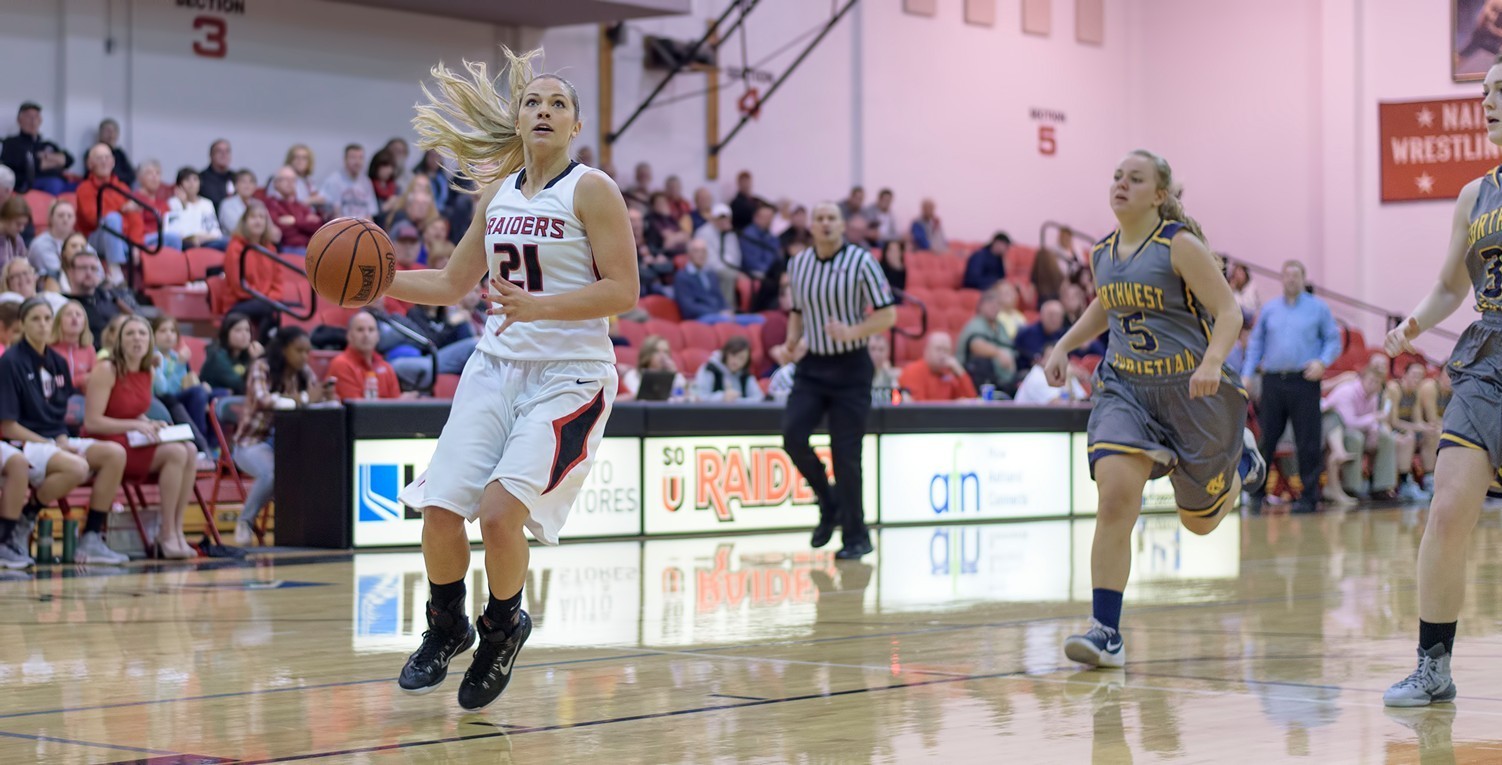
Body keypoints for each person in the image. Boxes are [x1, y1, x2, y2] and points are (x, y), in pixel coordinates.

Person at [386, 47, 637, 711]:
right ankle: (448, 625)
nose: (545, 110)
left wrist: (542, 306)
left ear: (575, 125)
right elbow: (449, 282)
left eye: (558, 103)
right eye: (534, 101)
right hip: (494, 367)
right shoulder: (497, 193)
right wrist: (376, 283)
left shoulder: (592, 189)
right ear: (520, 120)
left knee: (501, 516)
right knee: (440, 509)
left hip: (571, 374)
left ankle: (503, 625)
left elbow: (625, 289)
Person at [1045, 150, 1265, 671]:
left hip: (1191, 390)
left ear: (1159, 195)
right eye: (1117, 176)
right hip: (1126, 387)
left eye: (1135, 178)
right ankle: (1106, 632)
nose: (1121, 184)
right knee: (1116, 498)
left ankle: (1239, 464)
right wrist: (1064, 344)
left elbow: (1229, 312)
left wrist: (1213, 360)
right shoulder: (1102, 251)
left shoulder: (1179, 246)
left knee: (1200, 523)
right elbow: (1107, 302)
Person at [1380, 55, 1502, 707]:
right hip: (1487, 359)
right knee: (1449, 507)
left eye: (1501, 89)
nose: (1488, 100)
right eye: (1485, 90)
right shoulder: (1472, 195)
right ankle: (1433, 664)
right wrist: (1414, 324)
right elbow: (1452, 283)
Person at [778, 202, 896, 559]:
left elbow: (888, 314)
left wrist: (852, 331)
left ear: (842, 226)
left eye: (832, 218)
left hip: (852, 367)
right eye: (820, 218)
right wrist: (790, 342)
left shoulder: (861, 261)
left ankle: (857, 537)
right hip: (813, 365)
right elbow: (797, 312)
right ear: (811, 226)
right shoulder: (798, 264)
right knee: (793, 436)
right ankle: (829, 504)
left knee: (846, 455)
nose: (826, 223)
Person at [0, 298, 129, 564]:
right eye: (36, 319)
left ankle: (92, 537)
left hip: (53, 440)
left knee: (114, 454)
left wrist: (59, 440)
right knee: (77, 468)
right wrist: (51, 443)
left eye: (47, 318)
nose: (43, 324)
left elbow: (58, 416)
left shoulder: (58, 363)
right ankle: (25, 519)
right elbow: (7, 424)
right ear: (22, 325)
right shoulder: (10, 362)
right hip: (21, 440)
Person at [82, 315, 198, 559]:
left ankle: (177, 530)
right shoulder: (106, 369)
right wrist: (136, 424)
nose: (137, 338)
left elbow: (134, 410)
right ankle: (165, 533)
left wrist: (149, 423)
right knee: (177, 452)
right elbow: (92, 421)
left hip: (130, 438)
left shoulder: (148, 372)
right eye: (130, 333)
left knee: (189, 450)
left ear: (150, 340)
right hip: (104, 441)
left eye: (142, 334)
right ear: (119, 341)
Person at [1240, 259, 1341, 514]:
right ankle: (1256, 493)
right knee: (1267, 439)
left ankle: (1308, 497)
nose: (1291, 280)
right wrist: (1247, 373)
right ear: (1281, 279)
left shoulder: (1318, 309)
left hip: (1304, 380)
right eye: (1287, 275)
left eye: (1296, 275)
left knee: (1308, 441)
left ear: (1303, 278)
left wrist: (1322, 361)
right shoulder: (1271, 310)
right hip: (1274, 381)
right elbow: (1255, 344)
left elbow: (1333, 340)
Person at [233, 326, 326, 546]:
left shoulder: (303, 372)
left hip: (288, 444)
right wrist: (301, 399)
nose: (305, 356)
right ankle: (244, 522)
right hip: (252, 443)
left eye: (307, 352)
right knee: (272, 473)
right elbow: (262, 399)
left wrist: (323, 396)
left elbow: (313, 397)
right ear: (284, 350)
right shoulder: (261, 367)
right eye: (299, 350)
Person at [76, 144, 143, 276]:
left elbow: (135, 219)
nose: (104, 161)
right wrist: (122, 209)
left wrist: (136, 244)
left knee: (170, 238)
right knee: (113, 219)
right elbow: (93, 219)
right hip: (95, 238)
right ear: (90, 164)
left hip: (123, 238)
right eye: (99, 158)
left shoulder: (122, 187)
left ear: (113, 162)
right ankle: (115, 271)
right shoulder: (85, 188)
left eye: (107, 157)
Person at [151, 316, 214, 457]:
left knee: (218, 394)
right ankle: (201, 444)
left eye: (173, 331)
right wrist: (180, 366)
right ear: (153, 335)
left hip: (179, 397)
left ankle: (213, 444)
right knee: (197, 393)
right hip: (163, 399)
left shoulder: (176, 356)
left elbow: (183, 384)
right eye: (163, 331)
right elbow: (164, 390)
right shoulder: (153, 357)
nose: (169, 334)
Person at [220, 200, 284, 334]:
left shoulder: (270, 249)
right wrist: (264, 299)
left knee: (278, 310)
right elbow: (238, 285)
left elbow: (278, 282)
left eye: (262, 217)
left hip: (265, 302)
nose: (258, 221)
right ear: (245, 221)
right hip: (239, 302)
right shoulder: (235, 247)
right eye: (253, 217)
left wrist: (270, 297)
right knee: (271, 310)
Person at [1386, 360, 1437, 501]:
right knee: (1409, 437)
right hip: (1388, 429)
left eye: (1421, 376)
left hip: (1405, 429)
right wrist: (1418, 427)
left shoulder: (1416, 392)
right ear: (1405, 374)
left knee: (1432, 434)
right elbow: (1393, 421)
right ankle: (1405, 483)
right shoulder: (1394, 389)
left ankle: (1429, 479)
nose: (1417, 379)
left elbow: (1417, 420)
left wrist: (1427, 427)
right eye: (1414, 374)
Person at [64, 250, 137, 345]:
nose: (89, 273)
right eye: (83, 268)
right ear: (70, 272)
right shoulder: (64, 303)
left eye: (93, 268)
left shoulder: (110, 297)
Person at [327, 311, 404, 400]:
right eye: (360, 329)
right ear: (349, 335)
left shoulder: (387, 367)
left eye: (371, 330)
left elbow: (397, 407)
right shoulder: (341, 364)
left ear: (378, 336)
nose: (366, 335)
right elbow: (356, 409)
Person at [1, 102, 74, 195]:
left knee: (81, 187)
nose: (33, 121)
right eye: (28, 117)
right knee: (54, 184)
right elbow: (29, 165)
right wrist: (56, 161)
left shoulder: (48, 144)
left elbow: (68, 160)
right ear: (19, 120)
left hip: (59, 181)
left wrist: (46, 156)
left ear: (40, 120)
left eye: (36, 117)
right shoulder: (11, 143)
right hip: (28, 184)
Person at [957, 284, 1018, 393]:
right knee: (981, 363)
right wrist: (998, 353)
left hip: (1004, 378)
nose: (994, 307)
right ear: (981, 306)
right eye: (990, 304)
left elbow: (1009, 345)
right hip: (978, 379)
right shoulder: (976, 323)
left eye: (997, 304)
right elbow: (976, 345)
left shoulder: (1000, 326)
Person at [898, 332, 977, 402]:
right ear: (926, 350)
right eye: (938, 349)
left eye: (946, 350)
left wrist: (960, 371)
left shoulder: (950, 372)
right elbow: (918, 407)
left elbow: (971, 399)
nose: (942, 355)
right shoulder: (913, 371)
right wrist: (953, 405)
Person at [199, 312, 262, 396]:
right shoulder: (217, 356)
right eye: (238, 330)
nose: (245, 335)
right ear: (226, 333)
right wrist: (256, 361)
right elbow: (241, 387)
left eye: (247, 330)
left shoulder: (247, 355)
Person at [265, 166, 324, 254]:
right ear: (276, 183)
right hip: (286, 249)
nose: (289, 183)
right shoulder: (270, 204)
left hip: (309, 247)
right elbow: (281, 230)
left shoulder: (300, 205)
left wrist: (294, 221)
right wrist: (305, 223)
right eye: (285, 179)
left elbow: (317, 225)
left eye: (293, 180)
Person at [167, 167, 228, 250]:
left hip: (208, 240)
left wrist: (204, 237)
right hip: (187, 243)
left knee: (229, 242)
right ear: (179, 185)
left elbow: (215, 231)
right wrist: (184, 205)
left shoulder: (207, 203)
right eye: (187, 180)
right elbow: (175, 232)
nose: (192, 183)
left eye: (195, 179)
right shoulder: (173, 203)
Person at [692, 335, 761, 402]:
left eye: (741, 358)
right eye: (733, 355)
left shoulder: (746, 375)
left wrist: (736, 402)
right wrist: (722, 397)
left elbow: (759, 398)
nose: (736, 361)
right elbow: (699, 397)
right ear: (726, 353)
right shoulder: (709, 369)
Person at [319, 144, 379, 220]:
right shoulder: (334, 180)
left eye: (361, 158)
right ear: (345, 160)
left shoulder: (366, 181)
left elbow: (371, 213)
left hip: (364, 227)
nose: (357, 162)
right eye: (353, 157)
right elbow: (334, 213)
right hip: (342, 226)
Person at [26, 200, 75, 284]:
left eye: (70, 216)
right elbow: (59, 277)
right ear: (51, 218)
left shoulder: (79, 242)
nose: (65, 219)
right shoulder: (40, 245)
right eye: (61, 215)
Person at [50, 300, 96, 385]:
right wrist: (80, 379)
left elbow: (94, 380)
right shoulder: (49, 349)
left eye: (78, 314)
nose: (74, 317)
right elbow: (50, 382)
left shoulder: (89, 349)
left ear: (85, 323)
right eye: (68, 314)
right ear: (59, 322)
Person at [0, 259, 67, 313]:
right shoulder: (5, 303)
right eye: (15, 275)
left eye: (25, 273)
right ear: (8, 283)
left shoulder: (51, 298)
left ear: (34, 277)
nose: (22, 278)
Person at [218, 169, 258, 237]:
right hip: (234, 241)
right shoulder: (227, 204)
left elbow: (268, 227)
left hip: (258, 241)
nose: (247, 185)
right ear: (236, 185)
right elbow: (235, 228)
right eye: (243, 181)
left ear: (255, 186)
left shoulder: (259, 204)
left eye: (251, 182)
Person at [199, 140, 236, 211]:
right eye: (219, 151)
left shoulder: (236, 178)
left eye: (227, 151)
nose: (224, 155)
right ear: (211, 155)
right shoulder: (201, 178)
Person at [0, 197, 28, 266]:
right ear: (5, 219)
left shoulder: (18, 240)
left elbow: (25, 265)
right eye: (18, 224)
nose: (22, 229)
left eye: (24, 225)